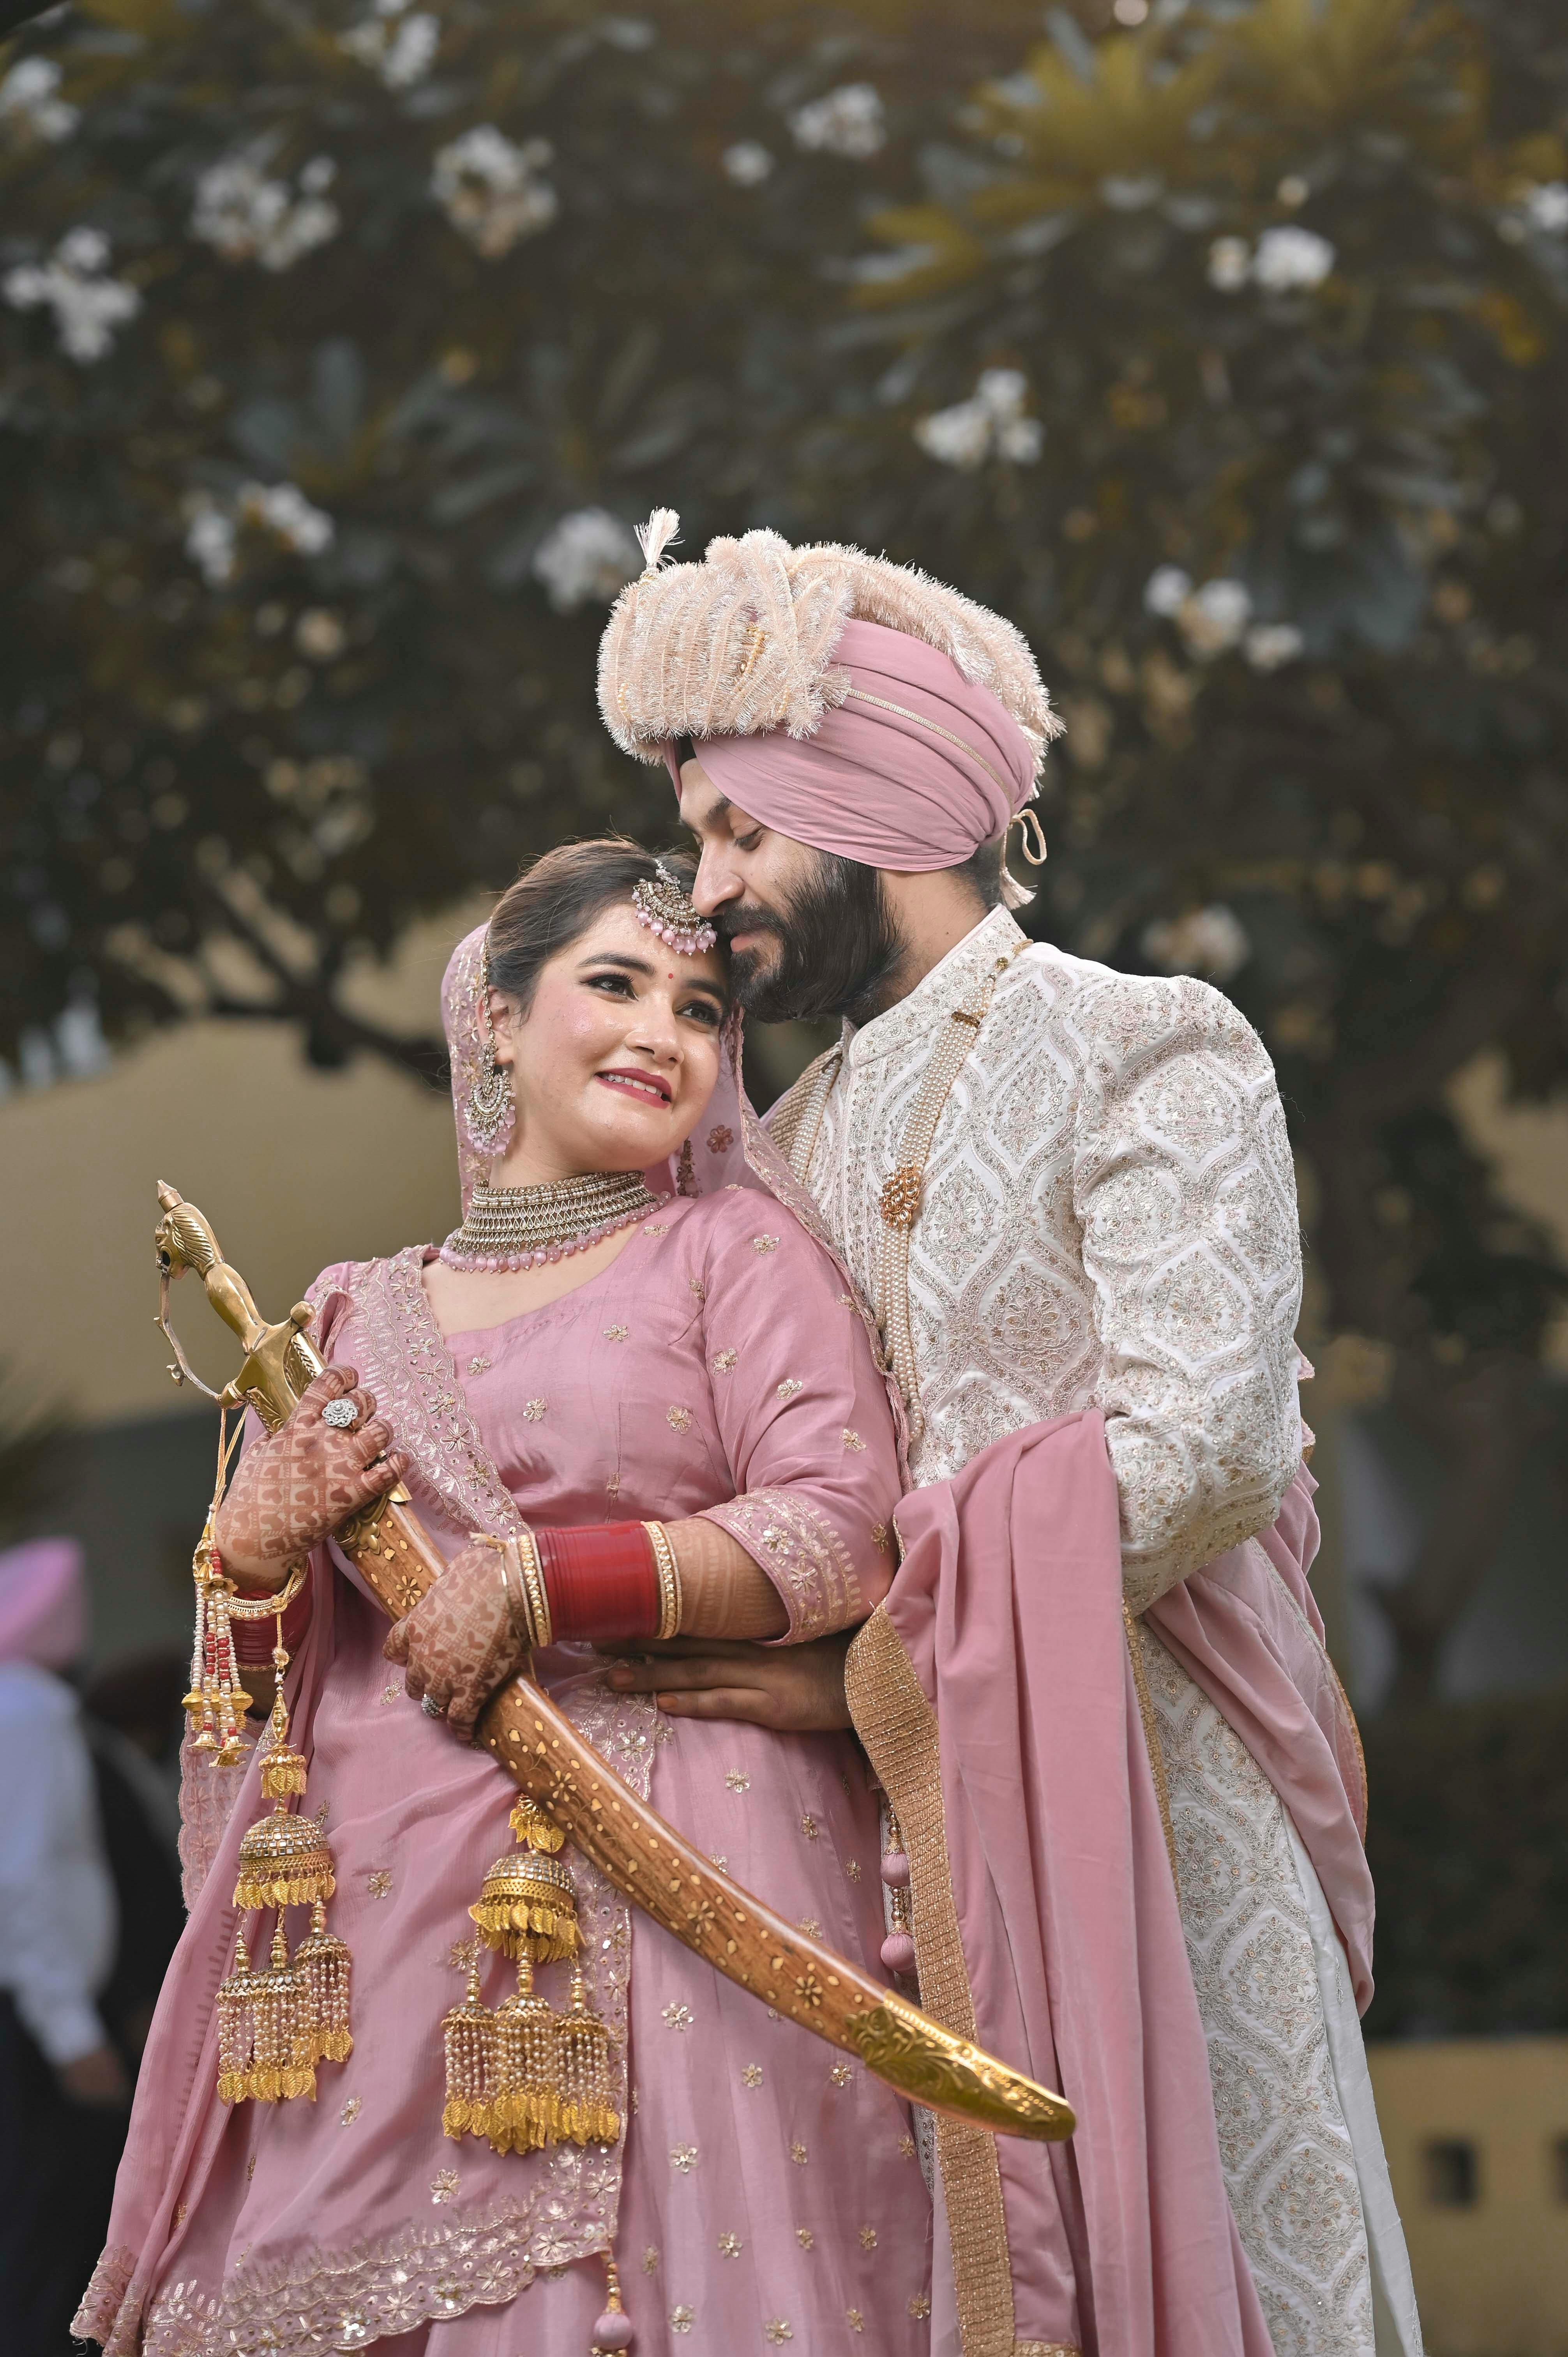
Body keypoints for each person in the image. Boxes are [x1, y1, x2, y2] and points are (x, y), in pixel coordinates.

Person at [594, 522, 1424, 2357]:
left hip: (1157, 1814)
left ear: (874, 806)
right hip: (885, 1854)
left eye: (738, 833)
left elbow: (1201, 1447)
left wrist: (875, 1662)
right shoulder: (773, 1146)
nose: (703, 893)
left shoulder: (1144, 1043)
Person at [75, 842, 933, 2357]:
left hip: (678, 1860)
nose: (661, 1033)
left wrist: (545, 1581)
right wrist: (255, 1558)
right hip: (382, 1927)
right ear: (496, 1016)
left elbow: (836, 1530)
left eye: (700, 1008)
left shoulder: (728, 1253)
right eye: (615, 984)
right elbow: (262, 1693)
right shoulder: (348, 1314)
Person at [0, 1537, 131, 2355]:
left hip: (41, 2016)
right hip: (38, 2028)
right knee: (50, 2256)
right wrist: (73, 2032)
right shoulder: (26, 1712)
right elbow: (21, 1878)